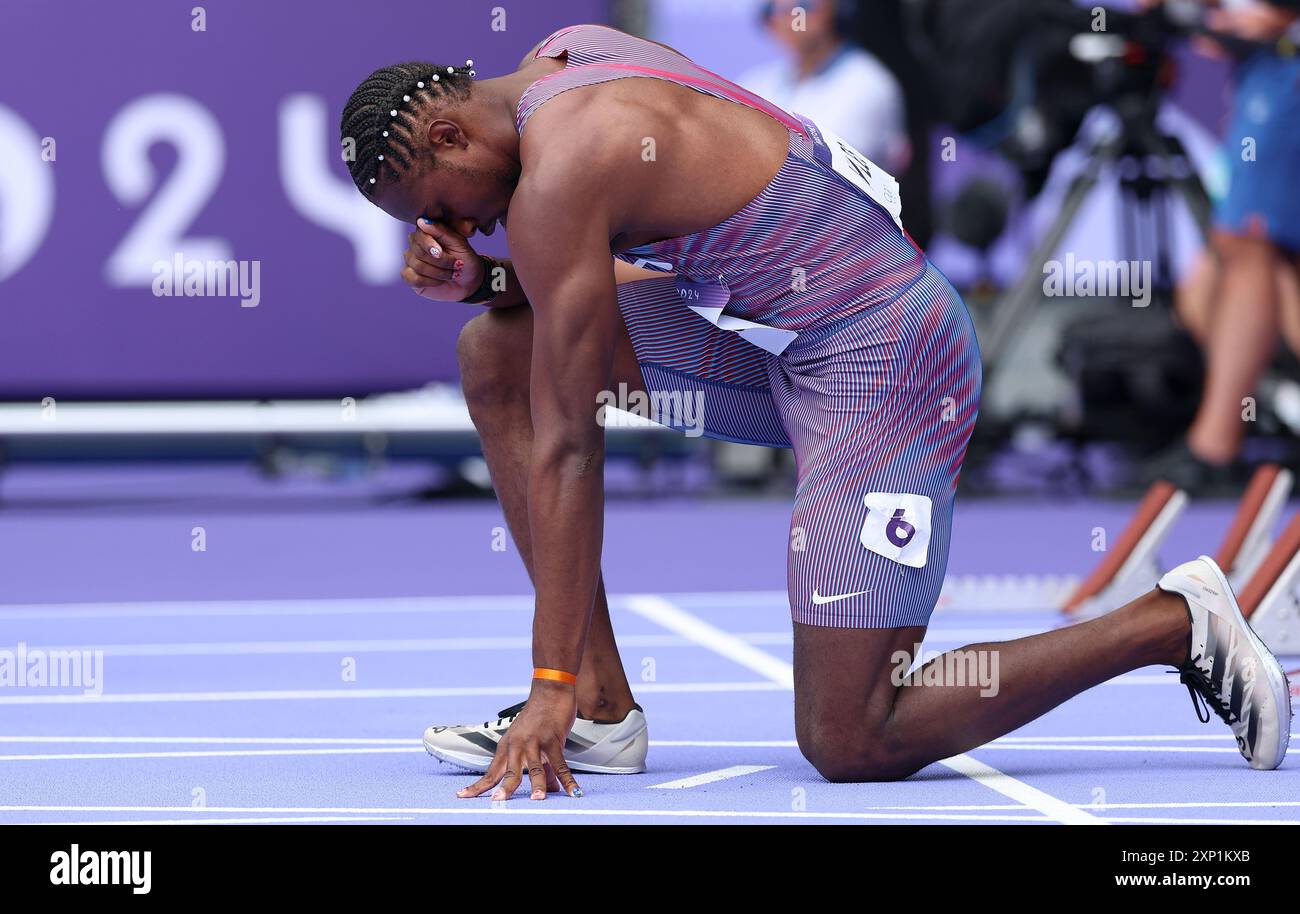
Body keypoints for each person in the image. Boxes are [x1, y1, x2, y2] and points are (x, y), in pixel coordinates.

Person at [339, 24, 1290, 800]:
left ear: (455, 140)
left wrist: (535, 680)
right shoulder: (572, 54)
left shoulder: (562, 173)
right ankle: (598, 708)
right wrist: (489, 283)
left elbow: (571, 448)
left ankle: (1172, 622)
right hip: (782, 348)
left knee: (853, 735)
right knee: (498, 346)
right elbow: (588, 280)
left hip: (890, 366)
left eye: (444, 210)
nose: (462, 230)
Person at [1149, 0, 1300, 490]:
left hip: (1284, 67)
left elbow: (1264, 18)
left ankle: (1214, 444)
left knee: (1249, 245)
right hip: (1265, 71)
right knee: (1244, 259)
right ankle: (1218, 438)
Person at [740, 0, 910, 174]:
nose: (791, 17)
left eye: (803, 6)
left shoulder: (868, 82)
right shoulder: (758, 82)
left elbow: (819, 172)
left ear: (836, 9)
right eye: (777, 9)